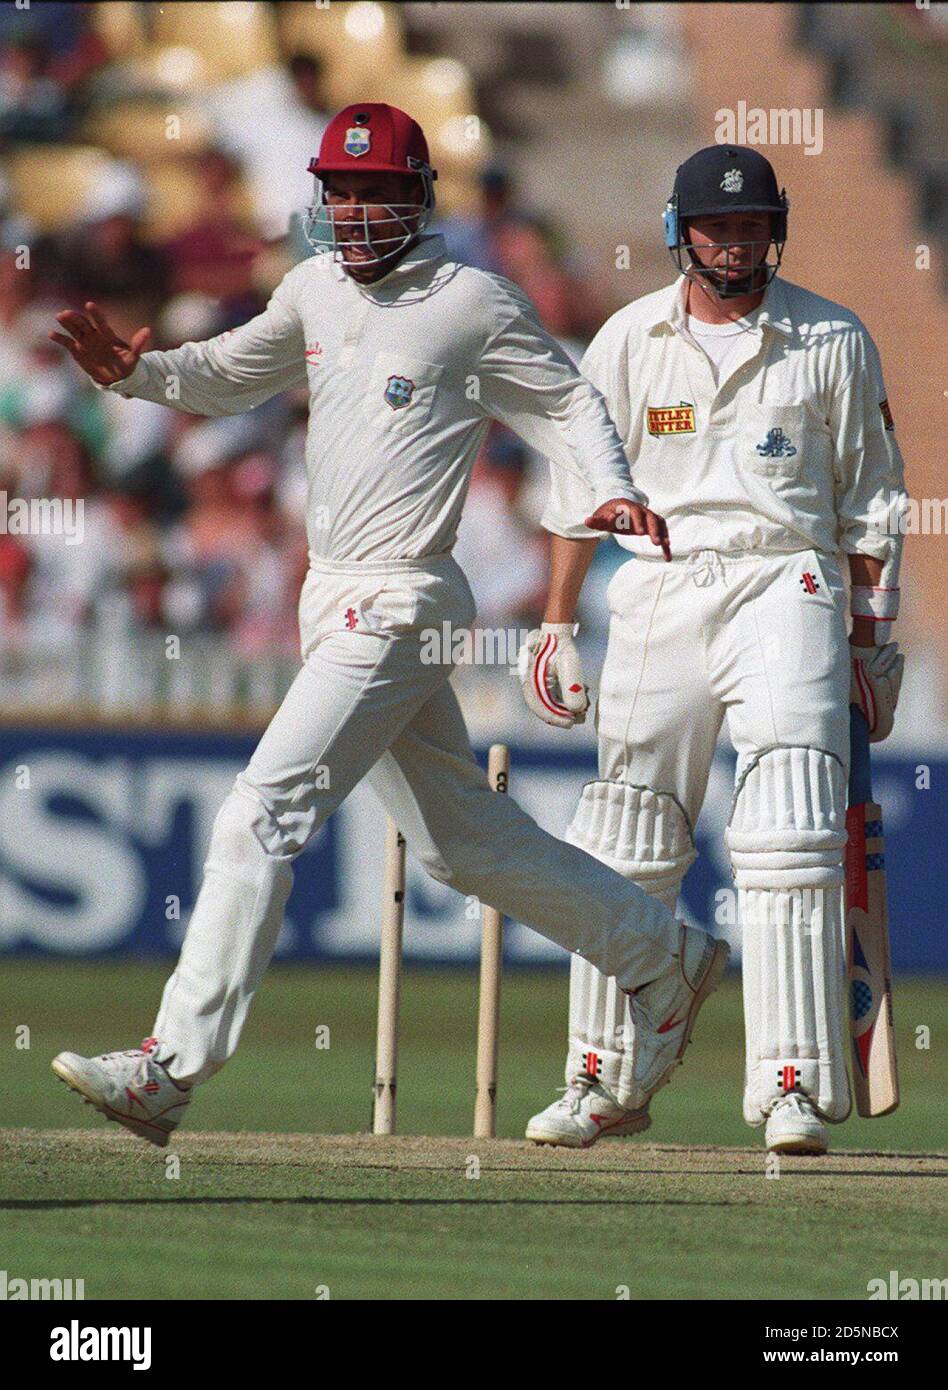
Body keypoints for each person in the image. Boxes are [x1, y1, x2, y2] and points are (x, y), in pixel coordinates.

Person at [47, 104, 727, 1147]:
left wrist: (610, 489)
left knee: (260, 809)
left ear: (420, 201)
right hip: (334, 597)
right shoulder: (311, 288)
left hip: (406, 598)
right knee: (463, 844)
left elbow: (567, 402)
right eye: (344, 192)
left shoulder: (470, 303)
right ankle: (659, 958)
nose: (357, 212)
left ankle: (170, 1066)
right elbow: (229, 373)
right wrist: (136, 373)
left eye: (379, 193)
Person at [520, 145, 907, 1155]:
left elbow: (870, 502)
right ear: (679, 230)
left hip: (791, 577)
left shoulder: (831, 337)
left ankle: (793, 1083)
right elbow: (579, 491)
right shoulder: (628, 337)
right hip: (658, 579)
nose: (735, 245)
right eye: (716, 227)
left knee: (786, 825)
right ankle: (605, 1075)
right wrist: (557, 623)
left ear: (773, 229)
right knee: (625, 837)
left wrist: (873, 640)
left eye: (749, 227)